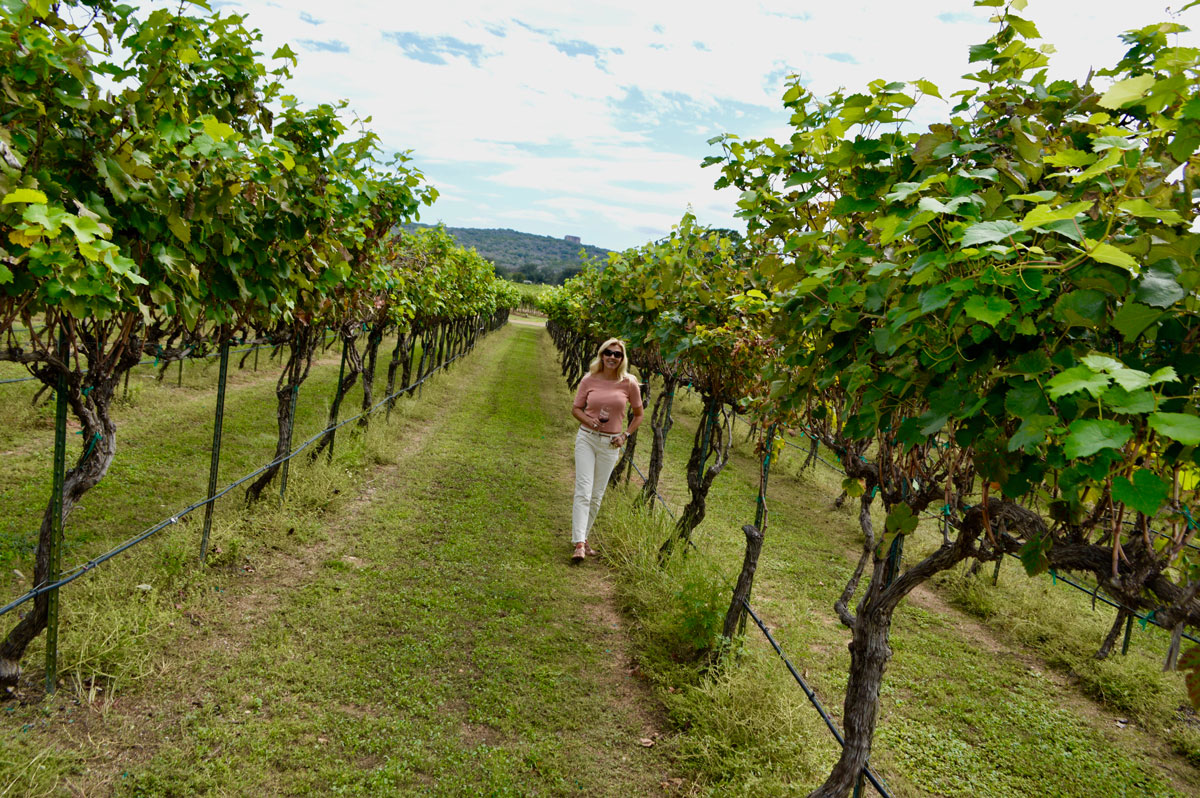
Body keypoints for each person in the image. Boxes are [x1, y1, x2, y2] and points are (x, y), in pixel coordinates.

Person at [569, 337, 643, 561]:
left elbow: (639, 415)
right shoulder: (589, 379)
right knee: (583, 489)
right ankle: (579, 544)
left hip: (611, 444)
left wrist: (625, 435)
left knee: (596, 495)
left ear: (622, 358)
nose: (612, 357)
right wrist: (589, 421)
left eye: (617, 354)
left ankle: (583, 537)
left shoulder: (629, 383)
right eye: (608, 352)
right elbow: (576, 409)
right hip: (588, 439)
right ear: (602, 354)